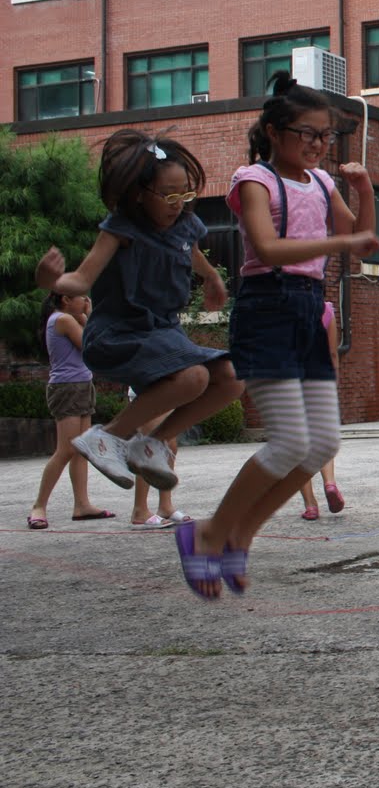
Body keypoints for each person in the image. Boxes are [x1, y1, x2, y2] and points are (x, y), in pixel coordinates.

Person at [171, 73, 377, 599]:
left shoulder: (324, 183)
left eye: (325, 136)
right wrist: (342, 236)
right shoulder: (253, 179)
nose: (316, 145)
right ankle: (212, 532)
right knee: (289, 442)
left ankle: (239, 535)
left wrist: (365, 190)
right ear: (273, 131)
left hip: (310, 308)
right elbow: (264, 247)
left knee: (322, 443)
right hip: (268, 308)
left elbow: (363, 246)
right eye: (306, 133)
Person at [35, 131, 241, 500]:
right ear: (139, 193)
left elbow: (191, 250)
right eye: (168, 195)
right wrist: (51, 280)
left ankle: (149, 445)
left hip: (164, 331)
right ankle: (107, 437)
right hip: (119, 332)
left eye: (185, 195)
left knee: (232, 378)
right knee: (193, 378)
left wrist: (211, 277)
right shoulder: (121, 229)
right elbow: (81, 278)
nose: (177, 205)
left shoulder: (185, 226)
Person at [26, 292, 112, 528]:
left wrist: (87, 317)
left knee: (81, 450)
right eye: (82, 297)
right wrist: (89, 317)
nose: (86, 301)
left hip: (83, 385)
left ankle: (82, 505)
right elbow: (91, 347)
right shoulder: (62, 319)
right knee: (65, 450)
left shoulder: (71, 318)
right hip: (67, 388)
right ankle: (39, 506)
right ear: (65, 299)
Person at [298, 302, 346, 520]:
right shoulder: (326, 309)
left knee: (299, 446)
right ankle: (330, 482)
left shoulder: (281, 306)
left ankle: (311, 505)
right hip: (319, 379)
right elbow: (333, 353)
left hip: (291, 380)